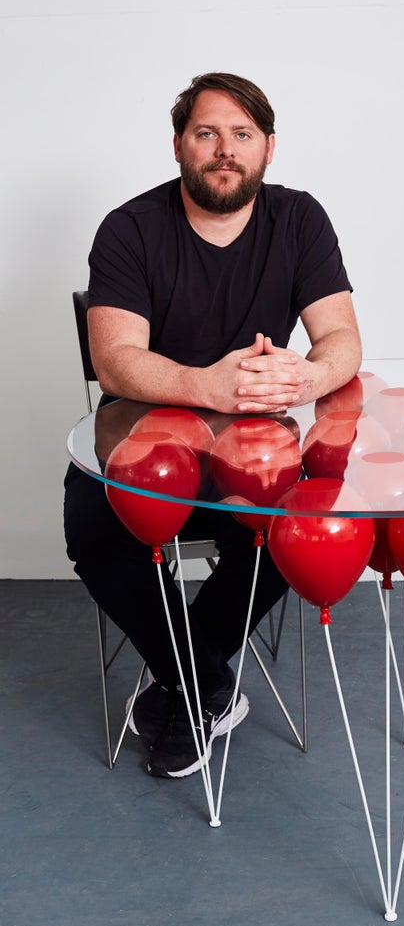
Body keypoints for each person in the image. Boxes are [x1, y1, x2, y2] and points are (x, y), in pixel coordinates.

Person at [64, 72, 361, 779]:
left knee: (294, 524)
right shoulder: (130, 228)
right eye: (206, 133)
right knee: (94, 530)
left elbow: (342, 339)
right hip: (142, 434)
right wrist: (205, 386)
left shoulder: (299, 220)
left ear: (268, 148)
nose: (224, 150)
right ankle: (203, 686)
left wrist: (307, 376)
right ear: (177, 146)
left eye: (241, 134)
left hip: (256, 444)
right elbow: (115, 361)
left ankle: (180, 683)